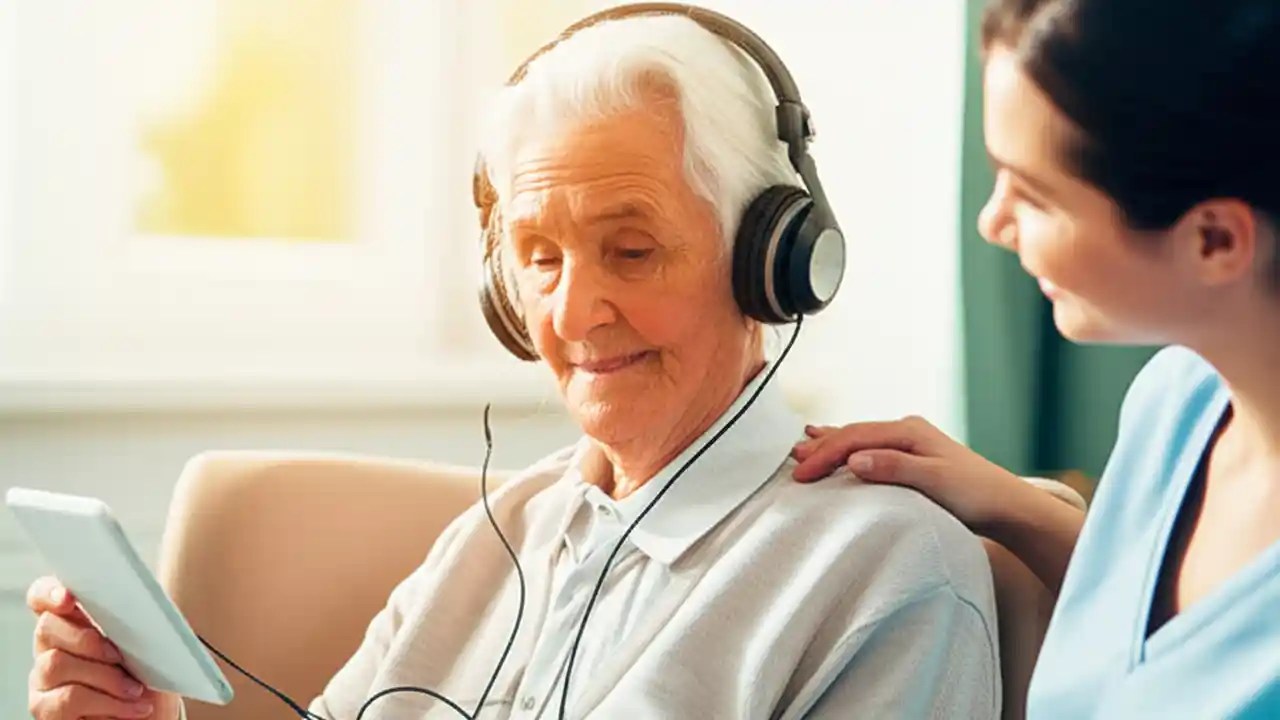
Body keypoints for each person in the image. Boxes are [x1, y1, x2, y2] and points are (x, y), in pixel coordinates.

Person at [26, 9, 1000, 720]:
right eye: (538, 257)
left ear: (770, 258)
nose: (572, 312)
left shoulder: (888, 573)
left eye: (630, 250)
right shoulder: (500, 534)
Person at [792, 0, 1280, 717]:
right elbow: (1183, 648)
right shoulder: (1178, 397)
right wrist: (1012, 505)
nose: (993, 222)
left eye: (1035, 195)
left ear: (1214, 240)